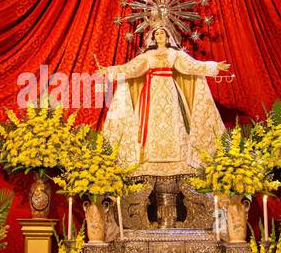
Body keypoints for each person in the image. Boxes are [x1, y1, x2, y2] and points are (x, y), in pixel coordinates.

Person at [97, 26, 228, 174]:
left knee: (173, 118)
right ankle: (148, 155)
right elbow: (131, 68)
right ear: (153, 37)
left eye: (162, 33)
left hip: (170, 89)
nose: (159, 35)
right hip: (151, 91)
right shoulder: (148, 55)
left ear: (167, 36)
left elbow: (192, 65)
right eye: (157, 33)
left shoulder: (174, 54)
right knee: (151, 118)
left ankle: (178, 156)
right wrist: (109, 70)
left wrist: (215, 66)